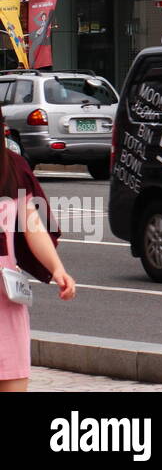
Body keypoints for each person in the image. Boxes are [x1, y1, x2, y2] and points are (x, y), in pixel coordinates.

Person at [1, 139, 75, 391]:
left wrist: (57, 269)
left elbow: (33, 227)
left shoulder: (12, 166)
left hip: (5, 301)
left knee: (13, 379)